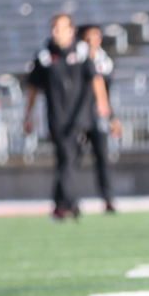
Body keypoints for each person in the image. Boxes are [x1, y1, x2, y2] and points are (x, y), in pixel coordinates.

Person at [24, 15, 111, 220]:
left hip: (80, 116)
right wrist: (28, 114)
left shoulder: (81, 52)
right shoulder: (45, 55)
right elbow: (33, 88)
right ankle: (69, 202)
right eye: (53, 28)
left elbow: (95, 78)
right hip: (57, 118)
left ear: (71, 30)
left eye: (59, 28)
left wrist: (102, 103)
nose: (55, 32)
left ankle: (61, 204)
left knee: (71, 161)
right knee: (65, 159)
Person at [79, 24, 119, 214]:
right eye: (88, 39)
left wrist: (112, 117)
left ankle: (108, 198)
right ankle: (69, 199)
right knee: (72, 159)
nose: (92, 42)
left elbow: (107, 93)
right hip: (78, 117)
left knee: (102, 159)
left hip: (98, 118)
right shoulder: (75, 60)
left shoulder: (105, 62)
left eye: (95, 38)